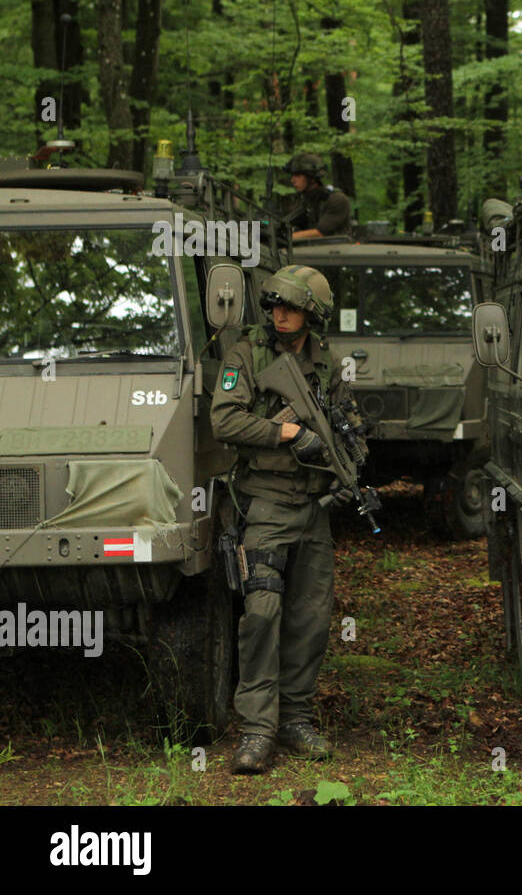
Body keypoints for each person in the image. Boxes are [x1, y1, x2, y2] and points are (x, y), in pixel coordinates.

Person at [211, 265, 366, 774]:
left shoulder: (329, 364)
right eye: (275, 305)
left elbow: (352, 427)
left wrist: (349, 470)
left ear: (313, 314)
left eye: (292, 307)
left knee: (312, 619)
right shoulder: (248, 354)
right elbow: (225, 419)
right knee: (261, 614)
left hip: (315, 506)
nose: (280, 314)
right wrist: (287, 435)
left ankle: (296, 717)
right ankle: (258, 728)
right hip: (268, 503)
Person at [284, 152, 351, 241]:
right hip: (310, 250)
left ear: (311, 177)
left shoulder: (336, 199)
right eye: (292, 175)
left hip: (336, 251)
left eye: (298, 175)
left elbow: (320, 233)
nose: (292, 180)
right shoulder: (303, 201)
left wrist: (285, 238)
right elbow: (287, 222)